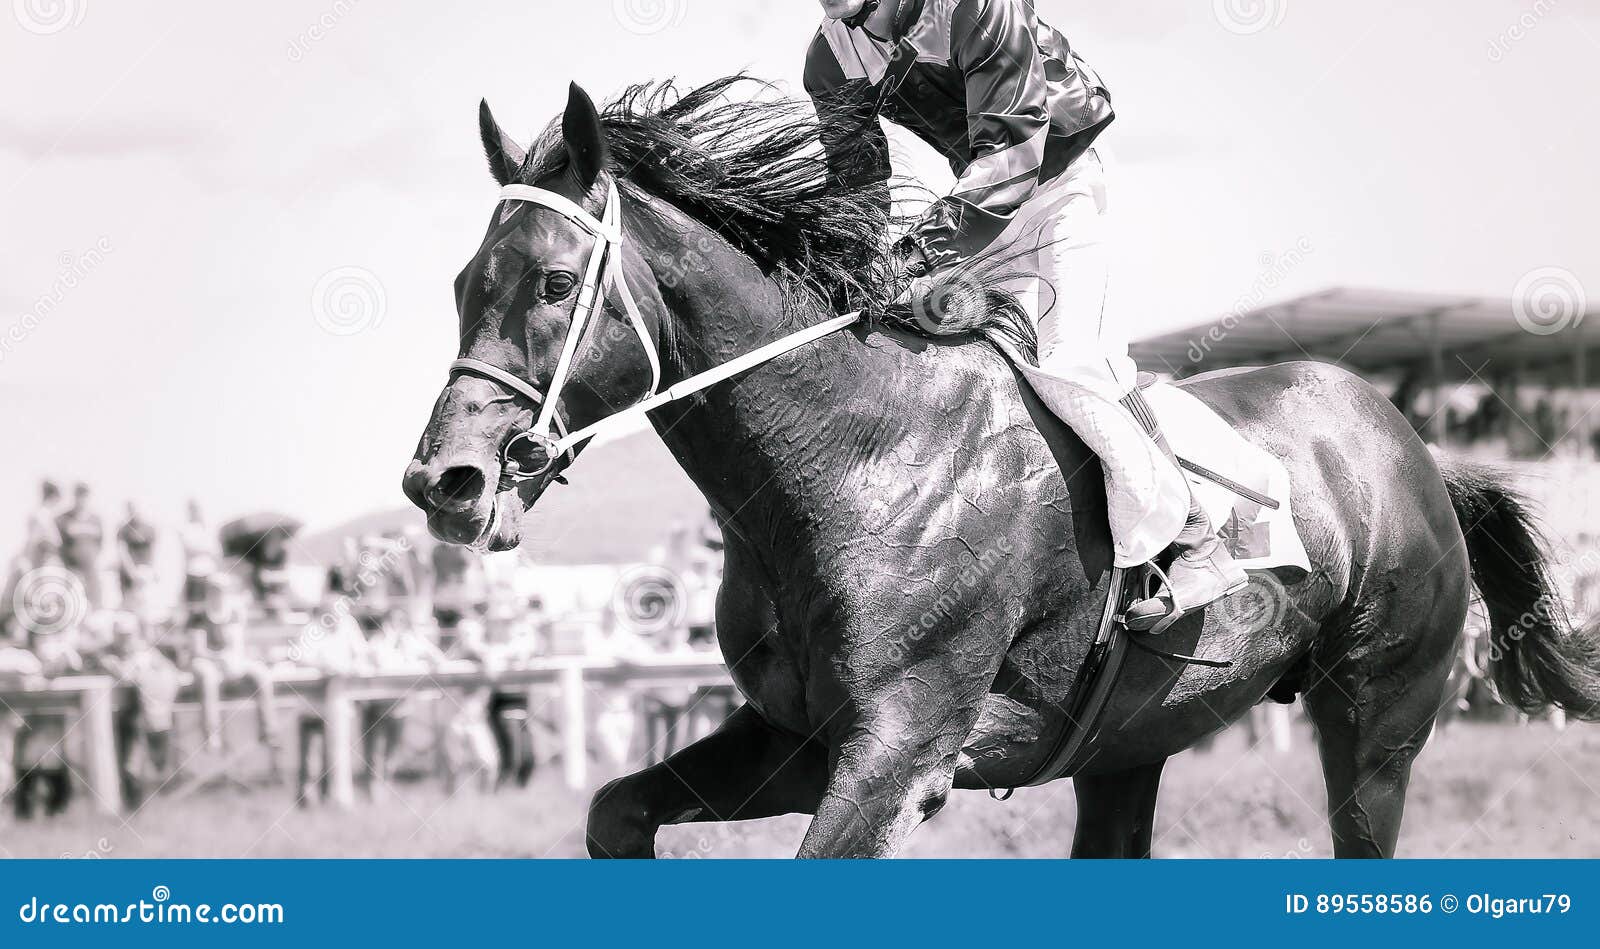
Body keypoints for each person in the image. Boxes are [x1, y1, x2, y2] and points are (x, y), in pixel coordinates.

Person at [804, 0, 1245, 632]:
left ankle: (1198, 539)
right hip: (981, 211)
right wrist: (851, 264)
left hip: (1059, 186)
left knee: (1072, 363)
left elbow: (1014, 150)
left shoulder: (979, 6)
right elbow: (856, 177)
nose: (831, 9)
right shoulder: (831, 55)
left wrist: (915, 251)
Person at [56, 483, 104, 610]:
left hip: (91, 569)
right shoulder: (63, 518)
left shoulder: (96, 519)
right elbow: (59, 546)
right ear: (74, 497)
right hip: (72, 569)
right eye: (79, 495)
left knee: (94, 605)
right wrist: (68, 565)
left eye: (85, 496)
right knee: (72, 604)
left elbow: (101, 543)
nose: (82, 500)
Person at [179, 500, 218, 628]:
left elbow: (215, 550)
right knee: (194, 608)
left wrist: (204, 549)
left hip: (208, 573)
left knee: (209, 609)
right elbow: (190, 548)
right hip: (193, 573)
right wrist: (204, 549)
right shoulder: (187, 529)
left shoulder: (207, 528)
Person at [116, 502, 159, 618]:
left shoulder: (150, 529)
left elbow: (154, 552)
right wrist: (132, 574)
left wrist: (150, 571)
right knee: (129, 611)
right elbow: (122, 552)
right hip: (129, 577)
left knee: (147, 610)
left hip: (145, 575)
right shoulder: (123, 530)